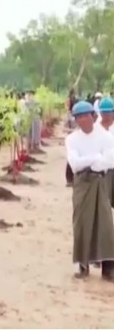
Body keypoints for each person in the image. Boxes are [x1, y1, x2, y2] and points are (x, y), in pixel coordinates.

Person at [65, 101, 114, 280]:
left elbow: (109, 161)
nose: (84, 119)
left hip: (101, 182)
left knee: (106, 224)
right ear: (76, 120)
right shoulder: (72, 139)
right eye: (79, 117)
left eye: (87, 115)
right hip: (82, 184)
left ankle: (108, 268)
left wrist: (90, 161)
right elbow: (75, 164)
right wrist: (95, 157)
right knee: (81, 223)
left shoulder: (106, 137)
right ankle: (82, 266)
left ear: (93, 116)